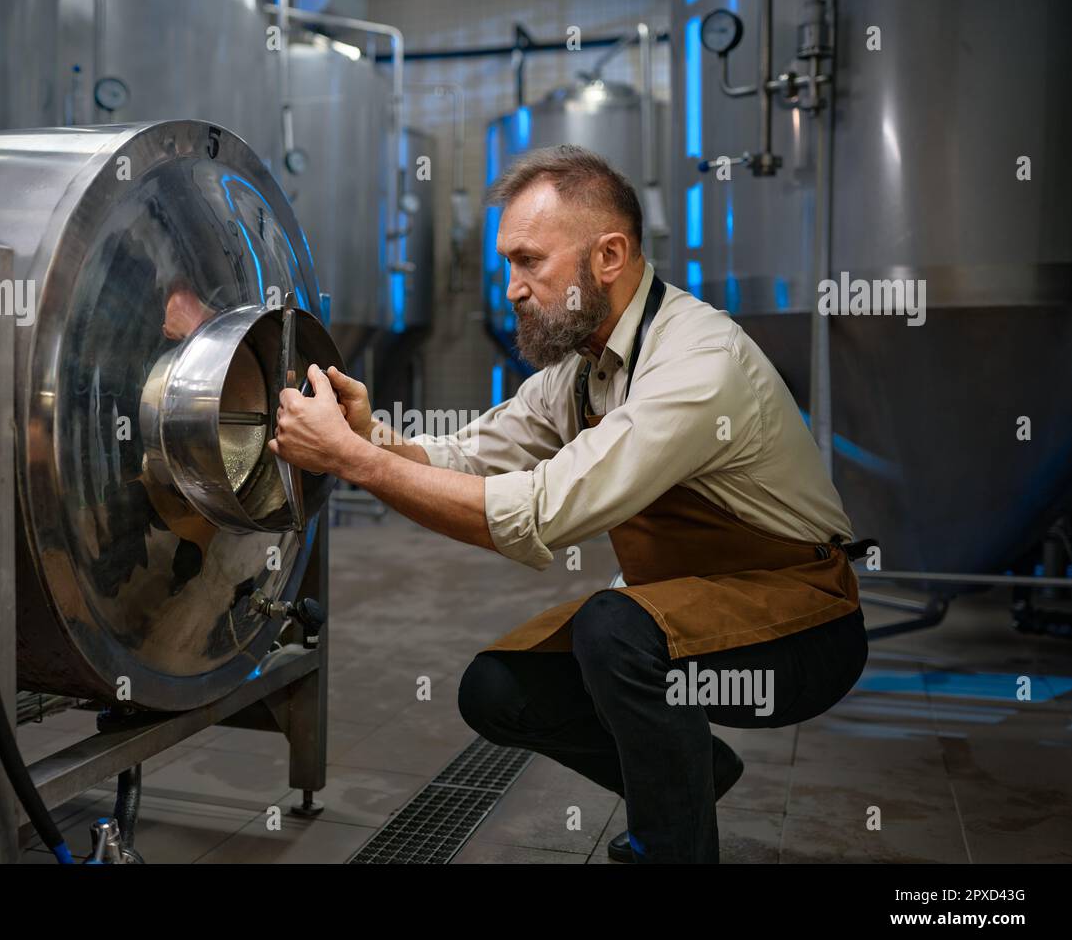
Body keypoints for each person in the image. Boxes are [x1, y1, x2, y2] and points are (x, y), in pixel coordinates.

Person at [270, 144, 869, 863]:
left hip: (803, 628)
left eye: (530, 262)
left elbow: (536, 512)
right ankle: (691, 776)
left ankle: (671, 848)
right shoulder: (583, 368)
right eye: (508, 265)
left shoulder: (696, 363)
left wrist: (349, 459)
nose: (513, 288)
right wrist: (372, 437)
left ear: (609, 256)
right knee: (497, 689)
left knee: (613, 630)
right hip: (695, 609)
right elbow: (466, 454)